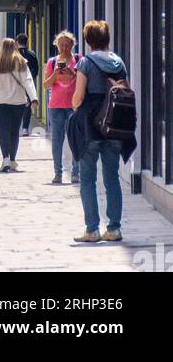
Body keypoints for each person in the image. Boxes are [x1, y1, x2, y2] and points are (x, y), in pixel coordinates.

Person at [69, 20, 135, 244]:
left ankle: (92, 229)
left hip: (90, 127)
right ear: (107, 39)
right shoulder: (119, 63)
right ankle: (114, 228)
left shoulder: (86, 63)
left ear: (88, 41)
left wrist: (75, 105)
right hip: (115, 126)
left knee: (87, 179)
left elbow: (78, 97)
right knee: (112, 178)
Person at [0, 38, 38, 172]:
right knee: (14, 131)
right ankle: (12, 160)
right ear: (15, 47)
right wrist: (33, 98)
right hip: (18, 102)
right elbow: (28, 81)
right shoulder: (21, 62)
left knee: (4, 131)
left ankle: (5, 158)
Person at [43, 30, 78, 185]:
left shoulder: (79, 59)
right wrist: (55, 73)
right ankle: (58, 173)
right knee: (57, 140)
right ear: (56, 45)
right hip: (56, 106)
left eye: (67, 45)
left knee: (74, 140)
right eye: (61, 45)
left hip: (74, 106)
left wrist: (72, 72)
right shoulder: (52, 62)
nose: (64, 48)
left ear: (72, 45)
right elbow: (45, 85)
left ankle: (75, 173)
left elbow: (84, 79)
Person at [16, 32, 40, 136]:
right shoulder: (32, 54)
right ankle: (25, 128)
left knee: (16, 104)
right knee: (28, 105)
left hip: (16, 84)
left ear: (17, 43)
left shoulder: (14, 54)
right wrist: (31, 78)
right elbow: (36, 69)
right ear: (27, 43)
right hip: (29, 83)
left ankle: (16, 127)